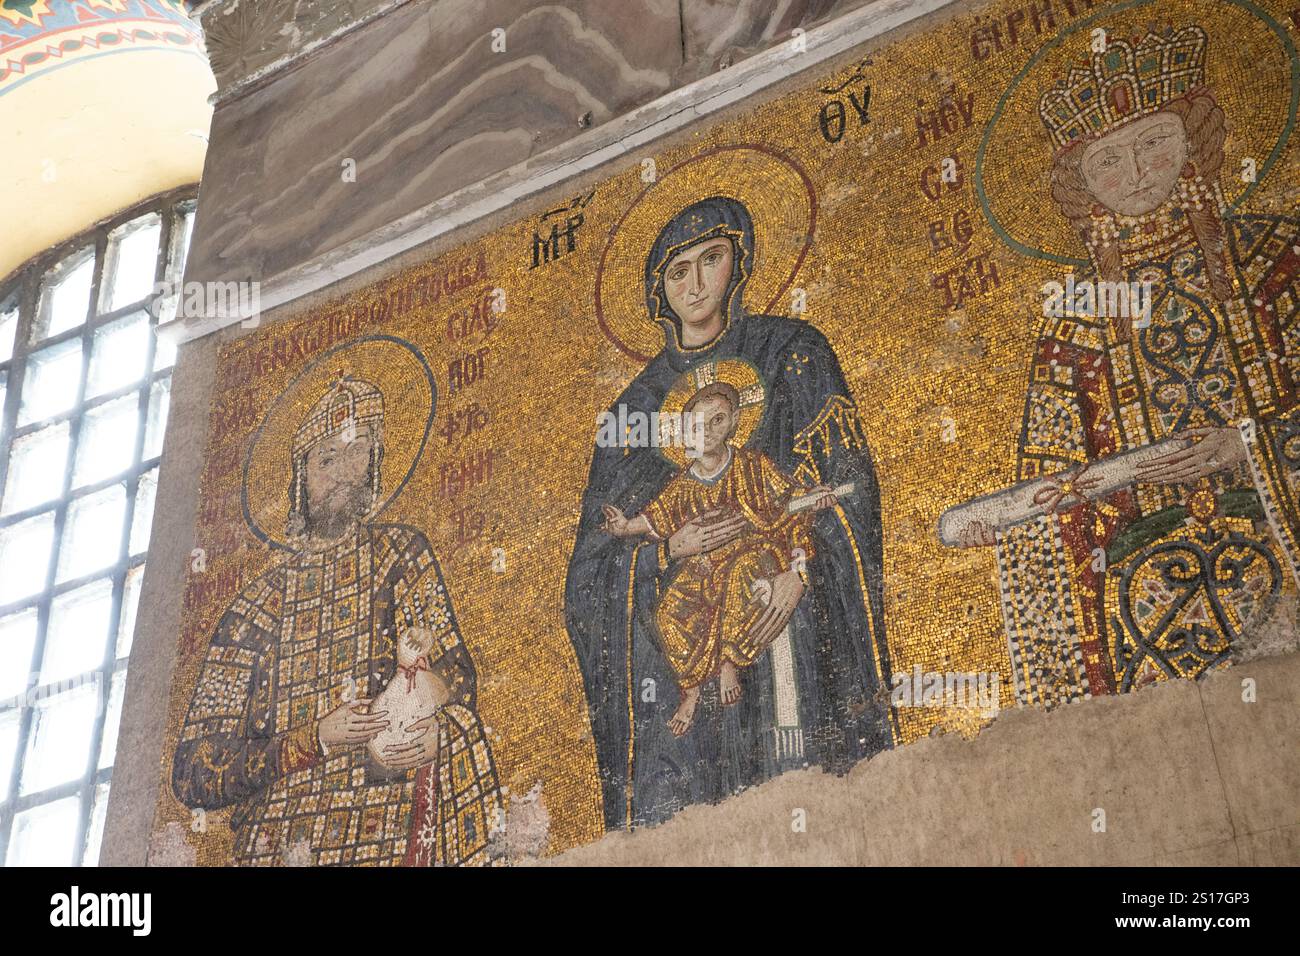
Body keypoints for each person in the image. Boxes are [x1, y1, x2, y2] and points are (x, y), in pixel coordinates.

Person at [954, 26, 1300, 706]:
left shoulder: (1276, 261)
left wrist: (1249, 445)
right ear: (1080, 185)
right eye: (1108, 160)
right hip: (1148, 598)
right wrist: (1005, 525)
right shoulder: (1077, 319)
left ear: (1193, 139)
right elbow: (1052, 479)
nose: (1138, 171)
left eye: (1154, 141)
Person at [566, 195, 895, 831]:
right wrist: (665, 550)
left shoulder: (793, 352)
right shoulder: (632, 412)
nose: (694, 284)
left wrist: (802, 567)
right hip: (679, 635)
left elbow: (849, 486)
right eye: (676, 270)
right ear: (659, 291)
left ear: (737, 263)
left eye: (709, 260)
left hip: (783, 611)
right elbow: (588, 575)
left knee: (795, 783)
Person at [172, 374, 502, 866]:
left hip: (389, 827)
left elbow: (457, 675)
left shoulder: (401, 558)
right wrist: (314, 739)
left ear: (374, 463)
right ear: (300, 478)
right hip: (276, 845)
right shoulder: (255, 609)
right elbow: (194, 768)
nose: (345, 472)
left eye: (357, 452)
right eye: (327, 458)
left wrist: (434, 731)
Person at [601, 381, 838, 736]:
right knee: (669, 612)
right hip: (702, 567)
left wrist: (812, 497)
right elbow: (656, 518)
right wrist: (624, 527)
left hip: (753, 554)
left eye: (717, 420)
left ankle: (729, 660)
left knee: (740, 578)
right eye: (698, 425)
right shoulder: (683, 483)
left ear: (734, 422)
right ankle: (692, 689)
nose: (707, 431)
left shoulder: (751, 465)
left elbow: (789, 497)